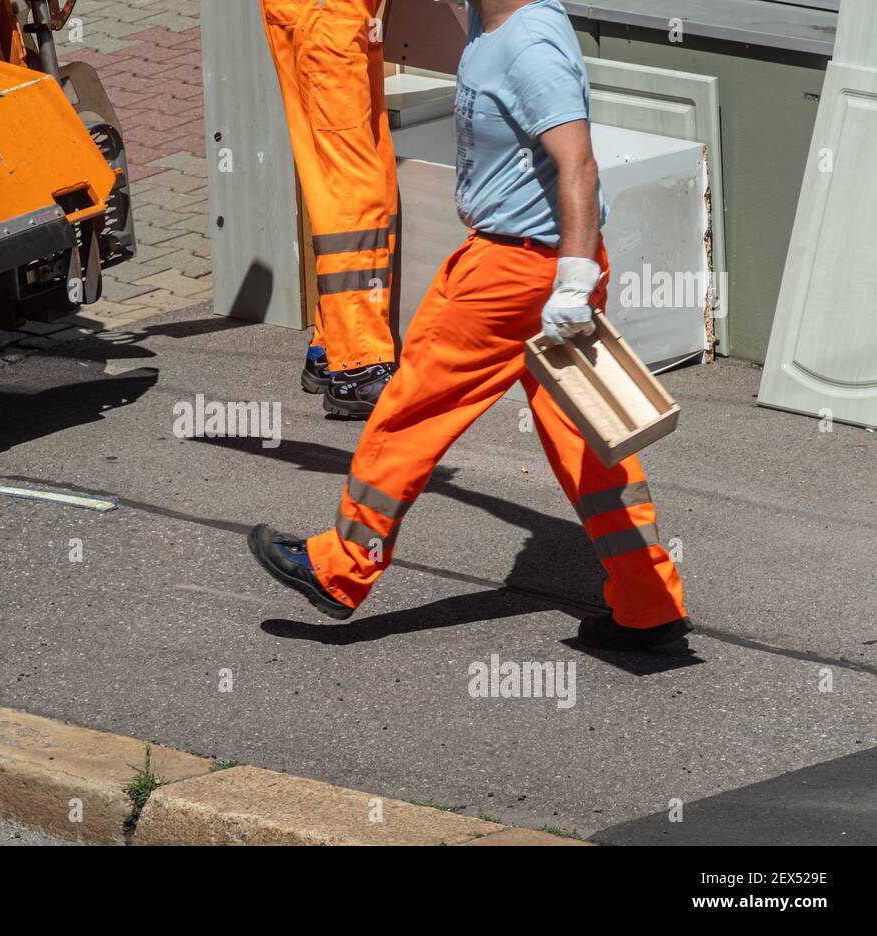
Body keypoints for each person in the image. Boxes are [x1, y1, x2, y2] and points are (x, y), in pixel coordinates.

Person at [248, 0, 691, 651]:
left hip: (512, 274)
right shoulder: (494, 17)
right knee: (588, 443)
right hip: (542, 269)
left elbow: (578, 165)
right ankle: (649, 602)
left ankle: (341, 568)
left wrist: (572, 283)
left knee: (409, 413)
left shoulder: (529, 45)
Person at [260, 0, 399, 419]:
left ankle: (334, 345)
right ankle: (359, 364)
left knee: (352, 181)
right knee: (354, 193)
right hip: (329, 20)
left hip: (330, 16)